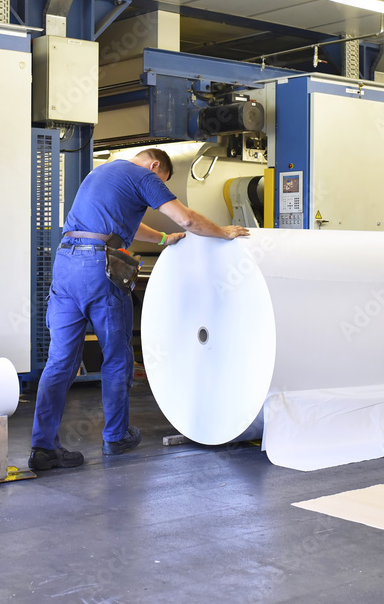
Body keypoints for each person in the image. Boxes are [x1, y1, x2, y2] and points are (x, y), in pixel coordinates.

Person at [29, 148, 250, 471]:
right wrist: (223, 231)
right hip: (98, 268)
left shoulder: (100, 173)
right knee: (117, 357)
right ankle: (115, 436)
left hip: (65, 265)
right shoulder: (144, 176)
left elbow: (120, 228)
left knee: (60, 361)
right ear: (156, 166)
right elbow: (186, 218)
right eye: (162, 181)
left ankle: (43, 447)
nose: (157, 187)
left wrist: (162, 238)